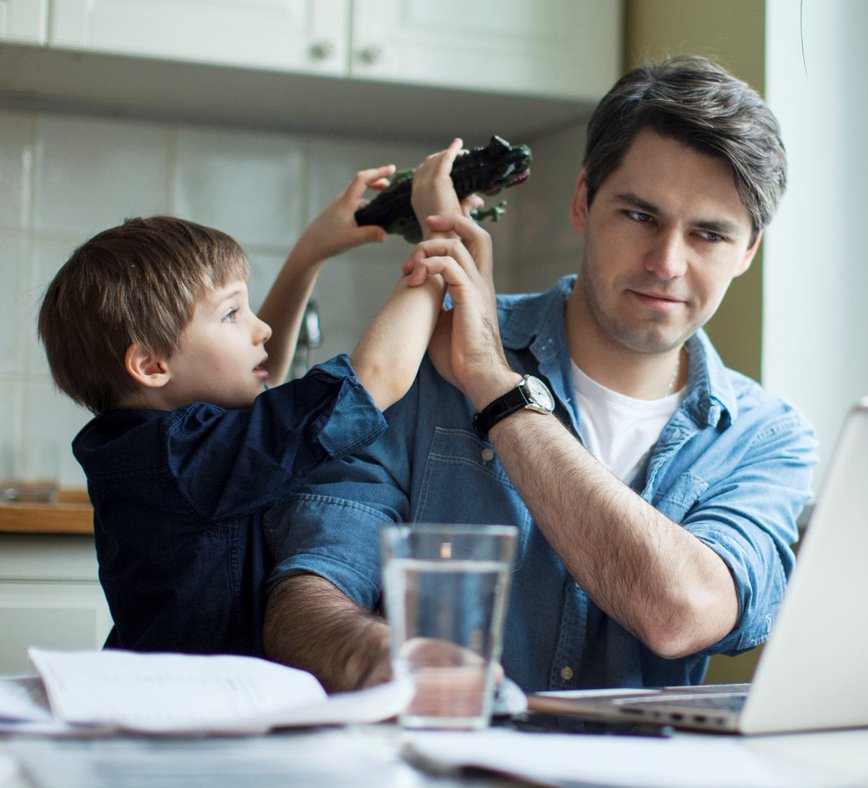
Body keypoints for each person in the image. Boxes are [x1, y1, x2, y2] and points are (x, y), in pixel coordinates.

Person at [262, 56, 818, 693]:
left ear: (748, 251)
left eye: (710, 235)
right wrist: (375, 659)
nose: (667, 263)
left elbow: (682, 613)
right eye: (640, 216)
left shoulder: (767, 440)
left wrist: (494, 388)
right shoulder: (420, 350)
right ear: (583, 203)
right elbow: (308, 591)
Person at [36, 142, 474, 656]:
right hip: (195, 711)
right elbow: (377, 378)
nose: (260, 327)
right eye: (230, 315)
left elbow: (264, 376)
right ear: (152, 365)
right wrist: (439, 235)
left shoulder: (160, 445)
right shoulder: (184, 458)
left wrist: (312, 251)